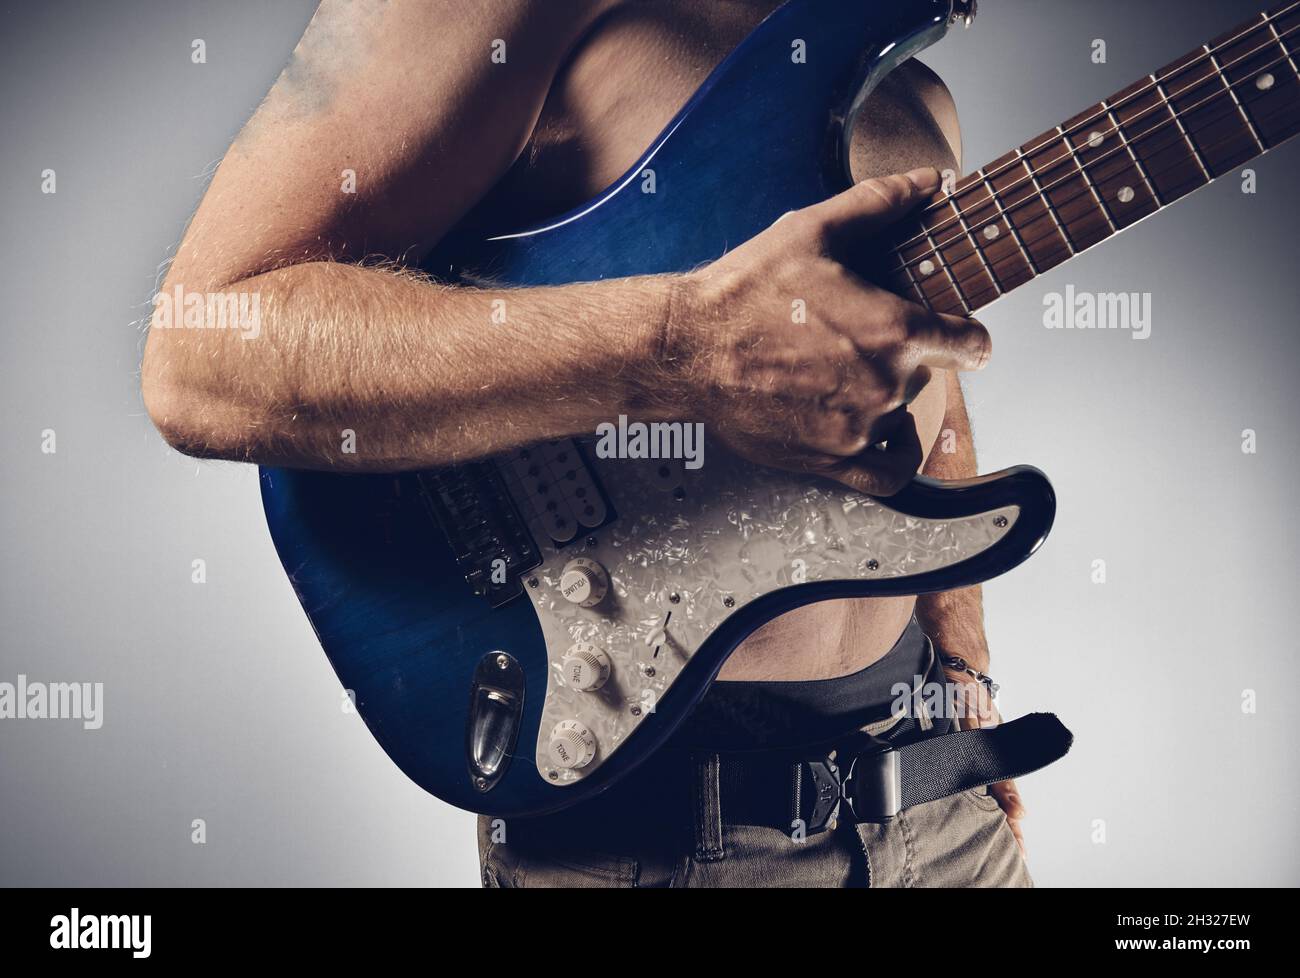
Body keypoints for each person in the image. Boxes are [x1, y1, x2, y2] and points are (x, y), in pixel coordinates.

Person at [142, 0, 1029, 887]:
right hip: (664, 842)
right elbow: (199, 355)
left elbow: (922, 376)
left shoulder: (910, 87)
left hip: (939, 809)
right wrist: (682, 346)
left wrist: (962, 669)